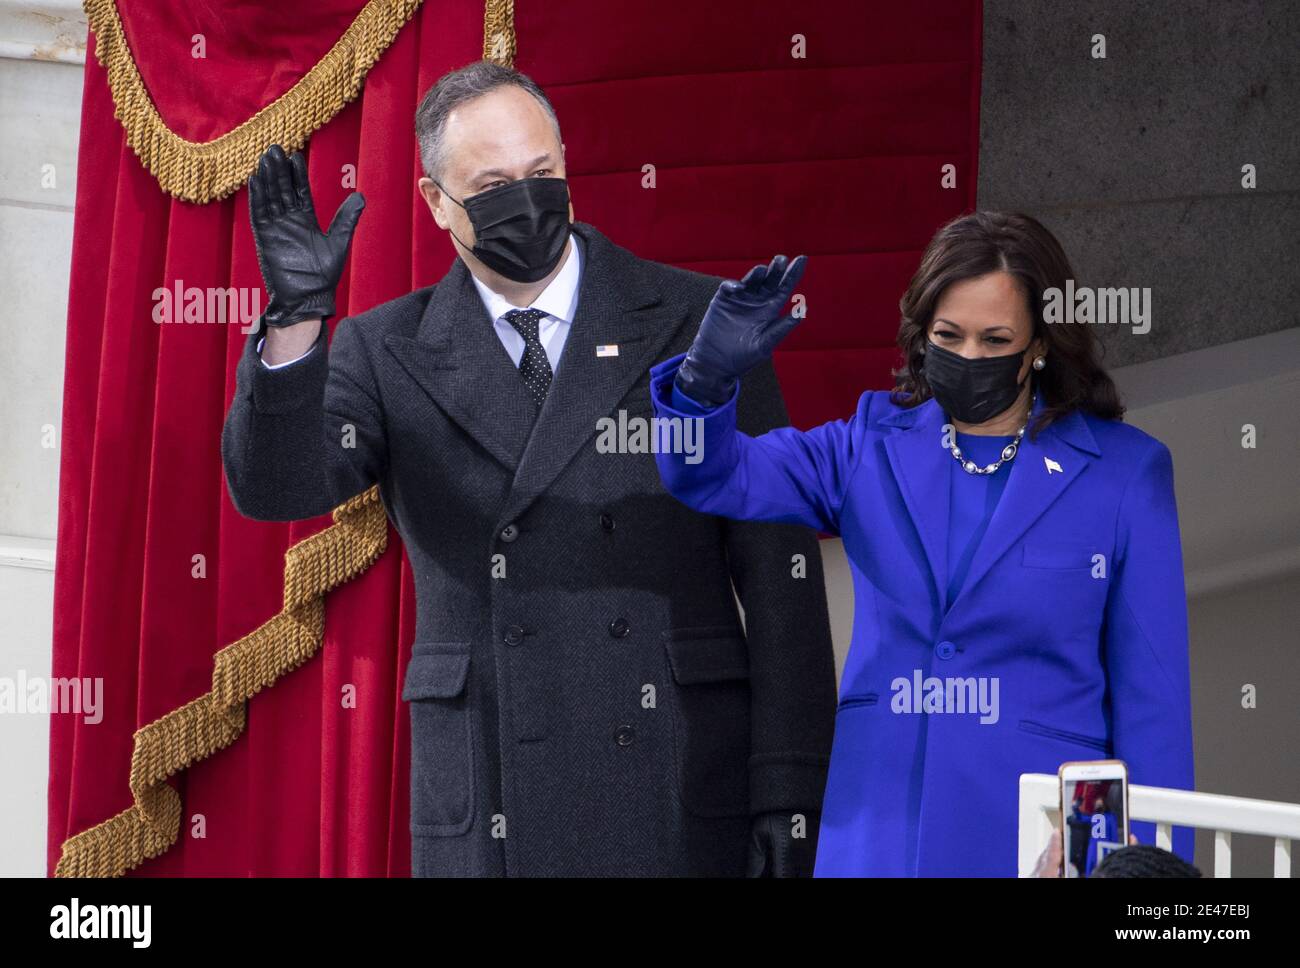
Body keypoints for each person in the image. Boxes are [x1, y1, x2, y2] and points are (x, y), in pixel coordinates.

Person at [222, 61, 838, 877]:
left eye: (542, 173)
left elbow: (779, 573)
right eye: (493, 183)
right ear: (437, 202)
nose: (527, 198)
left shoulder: (699, 320)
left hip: (679, 773)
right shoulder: (384, 349)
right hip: (492, 786)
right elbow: (279, 489)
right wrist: (299, 323)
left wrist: (790, 791)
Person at [649, 212, 1195, 876]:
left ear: (1040, 346)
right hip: (876, 828)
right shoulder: (867, 442)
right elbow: (709, 477)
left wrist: (1149, 871)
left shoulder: (1125, 472)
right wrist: (703, 384)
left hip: (1039, 842)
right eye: (949, 335)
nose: (967, 357)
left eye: (995, 339)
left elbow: (1154, 702)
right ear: (923, 332)